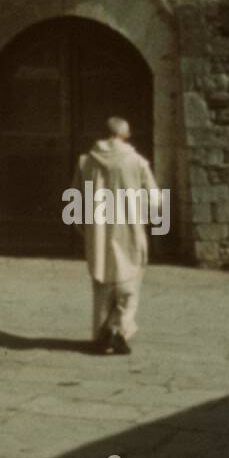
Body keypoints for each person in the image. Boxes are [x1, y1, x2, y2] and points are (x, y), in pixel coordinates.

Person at [70, 117, 161, 355]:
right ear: (125, 136)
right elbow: (155, 198)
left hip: (99, 229)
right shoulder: (137, 162)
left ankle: (102, 334)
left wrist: (84, 226)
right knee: (130, 282)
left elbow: (75, 198)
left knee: (103, 281)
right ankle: (119, 331)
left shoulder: (86, 161)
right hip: (129, 227)